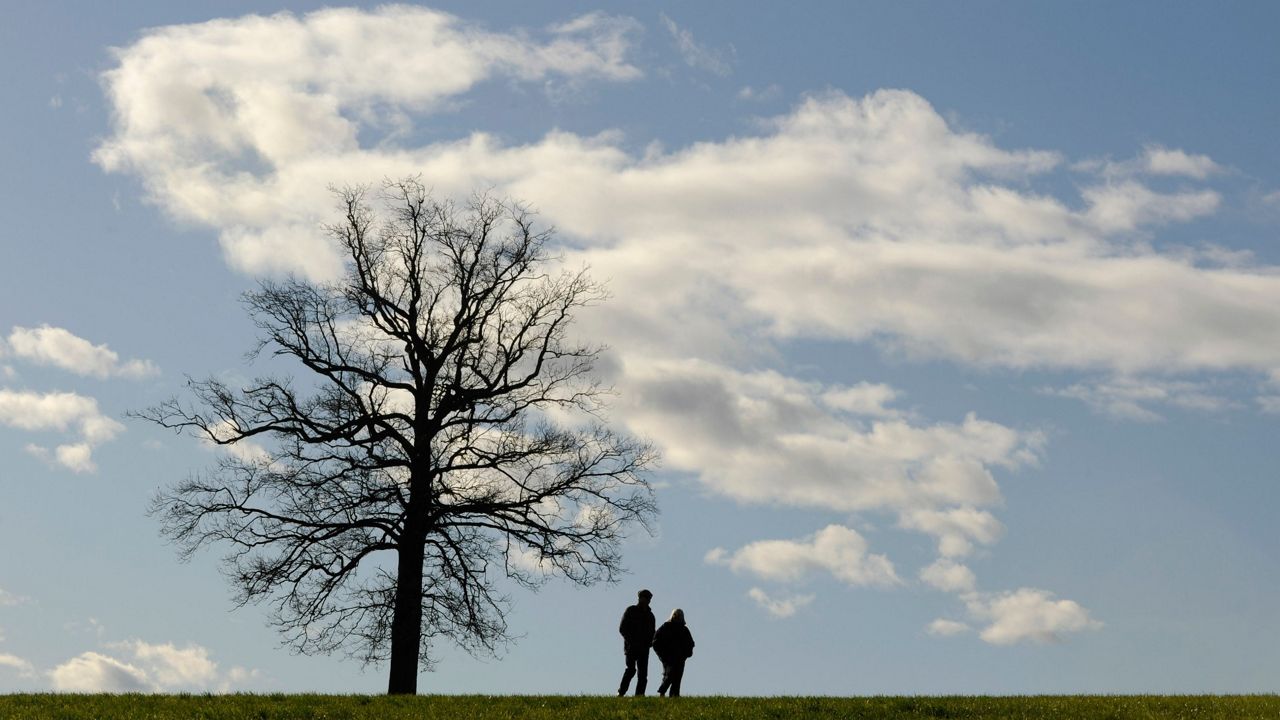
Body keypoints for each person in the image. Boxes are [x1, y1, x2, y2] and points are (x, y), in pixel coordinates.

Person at [617, 588, 656, 696]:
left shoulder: (650, 616)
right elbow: (622, 628)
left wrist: (650, 643)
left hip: (644, 648)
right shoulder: (631, 610)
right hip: (631, 647)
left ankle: (639, 695)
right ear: (639, 598)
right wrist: (631, 641)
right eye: (643, 598)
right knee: (631, 670)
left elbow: (653, 633)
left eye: (647, 599)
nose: (645, 601)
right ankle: (621, 692)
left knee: (643, 675)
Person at [652, 608, 695, 697]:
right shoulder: (665, 627)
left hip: (680, 658)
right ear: (672, 616)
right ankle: (662, 692)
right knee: (669, 675)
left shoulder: (684, 630)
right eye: (676, 615)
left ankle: (674, 696)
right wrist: (662, 655)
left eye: (679, 615)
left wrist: (687, 654)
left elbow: (690, 643)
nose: (677, 617)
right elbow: (656, 642)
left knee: (677, 678)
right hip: (668, 658)